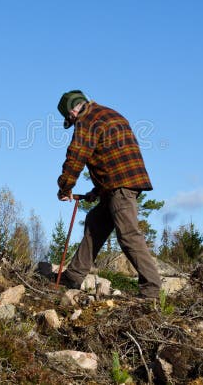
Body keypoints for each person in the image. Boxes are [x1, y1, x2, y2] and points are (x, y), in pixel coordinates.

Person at [50, 90, 161, 300]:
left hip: (120, 187)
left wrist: (65, 187)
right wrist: (97, 191)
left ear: (74, 109)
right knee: (95, 222)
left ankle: (151, 290)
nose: (73, 122)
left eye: (70, 118)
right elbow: (112, 158)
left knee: (128, 235)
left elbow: (76, 156)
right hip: (120, 183)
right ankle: (73, 276)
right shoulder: (109, 114)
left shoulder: (87, 120)